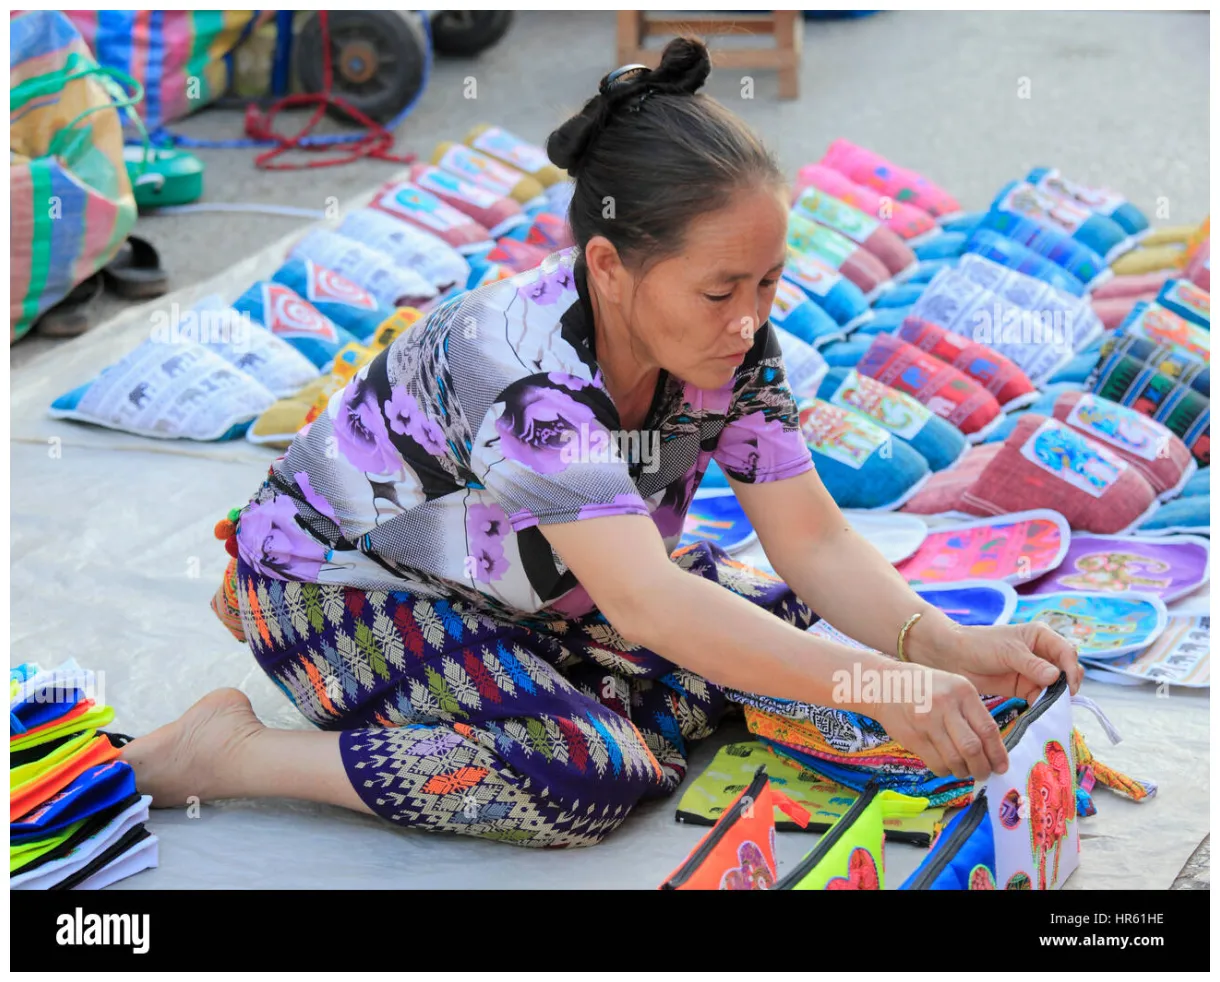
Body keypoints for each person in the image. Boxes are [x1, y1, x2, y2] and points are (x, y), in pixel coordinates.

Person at [123, 37, 1082, 849]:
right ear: (610, 267)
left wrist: (945, 646)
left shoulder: (734, 346)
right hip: (340, 591)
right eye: (721, 290)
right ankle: (233, 753)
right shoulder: (515, 368)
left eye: (768, 284)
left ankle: (546, 670)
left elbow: (815, 540)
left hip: (532, 582)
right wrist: (881, 679)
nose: (750, 321)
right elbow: (648, 599)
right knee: (586, 774)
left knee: (780, 635)